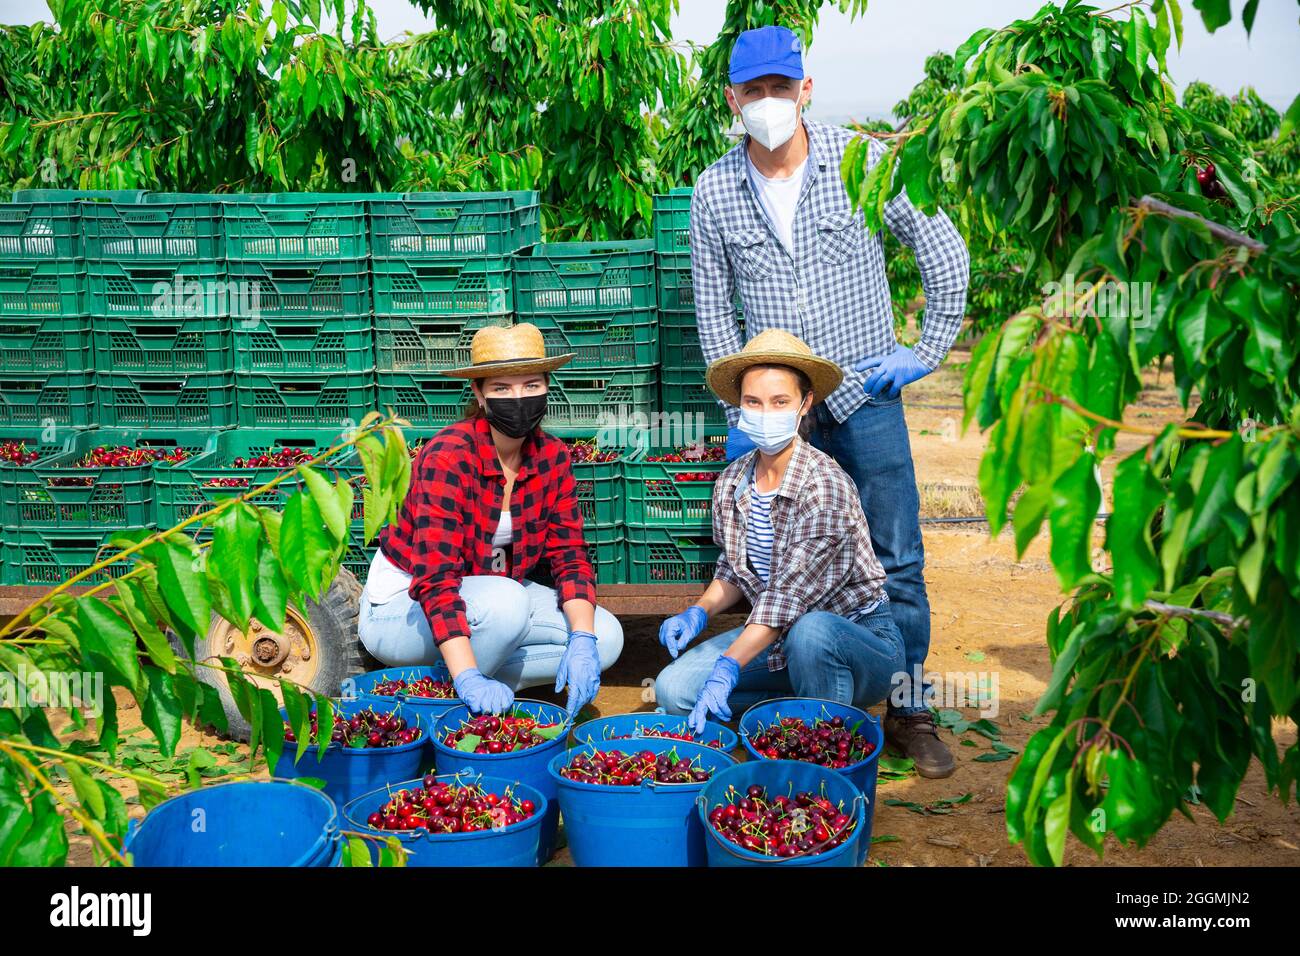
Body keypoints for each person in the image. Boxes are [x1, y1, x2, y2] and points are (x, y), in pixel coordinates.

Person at [687, 24, 970, 776]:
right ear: (734, 100)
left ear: (806, 90)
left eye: (783, 88)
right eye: (755, 91)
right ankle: (802, 699)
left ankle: (909, 710)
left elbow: (944, 250)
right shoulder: (715, 190)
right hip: (782, 407)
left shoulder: (864, 161)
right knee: (776, 558)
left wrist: (923, 351)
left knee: (896, 558)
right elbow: (714, 308)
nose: (770, 103)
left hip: (864, 398)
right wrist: (739, 414)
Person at [357, 323, 624, 718]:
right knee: (507, 603)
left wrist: (581, 639)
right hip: (404, 609)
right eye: (502, 388)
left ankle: (453, 682)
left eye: (531, 385)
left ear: (548, 388)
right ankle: (449, 694)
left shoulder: (552, 457)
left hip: (492, 603)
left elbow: (569, 555)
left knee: (606, 637)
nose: (519, 398)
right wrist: (469, 675)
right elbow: (436, 581)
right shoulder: (449, 456)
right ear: (479, 394)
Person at [654, 330, 906, 735]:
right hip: (777, 638)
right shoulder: (734, 479)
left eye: (780, 402)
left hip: (856, 638)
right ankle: (791, 709)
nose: (765, 413)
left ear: (805, 404)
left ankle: (821, 740)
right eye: (753, 402)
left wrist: (727, 665)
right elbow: (735, 570)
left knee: (811, 632)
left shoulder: (824, 486)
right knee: (673, 690)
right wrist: (699, 611)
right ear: (739, 405)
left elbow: (786, 600)